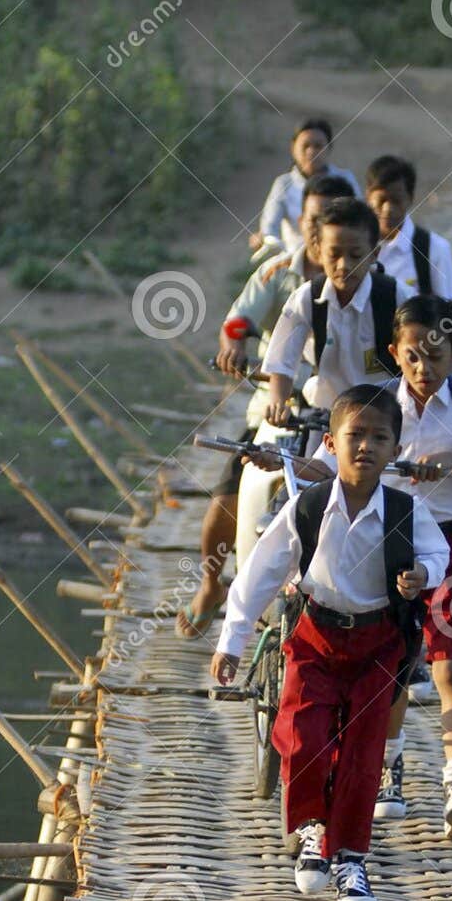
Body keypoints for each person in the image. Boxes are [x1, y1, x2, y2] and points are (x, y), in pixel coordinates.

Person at [210, 385, 449, 901]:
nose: (366, 446)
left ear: (395, 447)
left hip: (377, 642)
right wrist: (233, 640)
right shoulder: (308, 507)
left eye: (379, 437)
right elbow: (258, 575)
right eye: (355, 435)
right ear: (331, 443)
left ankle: (350, 858)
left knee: (365, 751)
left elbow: (439, 551)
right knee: (302, 736)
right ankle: (313, 830)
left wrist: (422, 575)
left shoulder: (407, 511)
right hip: (316, 638)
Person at [301, 296, 452, 839]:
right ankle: (388, 771)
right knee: (391, 669)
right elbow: (337, 461)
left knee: (450, 667)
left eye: (436, 356)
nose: (424, 368)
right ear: (394, 354)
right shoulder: (380, 409)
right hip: (391, 549)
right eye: (412, 356)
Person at [177, 173, 354, 639]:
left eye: (337, 224)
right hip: (279, 414)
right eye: (317, 220)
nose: (325, 234)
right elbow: (238, 323)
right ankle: (213, 583)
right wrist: (234, 347)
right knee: (228, 498)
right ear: (303, 222)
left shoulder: (376, 291)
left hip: (347, 419)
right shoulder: (278, 274)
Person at [262, 198, 409, 427]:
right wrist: (278, 402)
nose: (343, 265)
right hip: (327, 419)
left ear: (374, 254)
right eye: (334, 254)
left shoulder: (397, 297)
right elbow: (282, 363)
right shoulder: (306, 299)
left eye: (355, 254)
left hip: (387, 421)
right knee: (301, 463)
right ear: (319, 251)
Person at [252, 119, 361, 255]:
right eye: (305, 146)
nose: (311, 151)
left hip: (338, 258)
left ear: (329, 147)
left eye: (318, 146)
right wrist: (265, 239)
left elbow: (360, 220)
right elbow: (270, 227)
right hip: (295, 261)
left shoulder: (345, 179)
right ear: (293, 148)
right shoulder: (283, 184)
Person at [365, 155, 452, 300]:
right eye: (381, 200)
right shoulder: (355, 247)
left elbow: (448, 309)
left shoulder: (434, 249)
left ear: (410, 198)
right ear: (368, 197)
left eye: (396, 200)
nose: (388, 208)